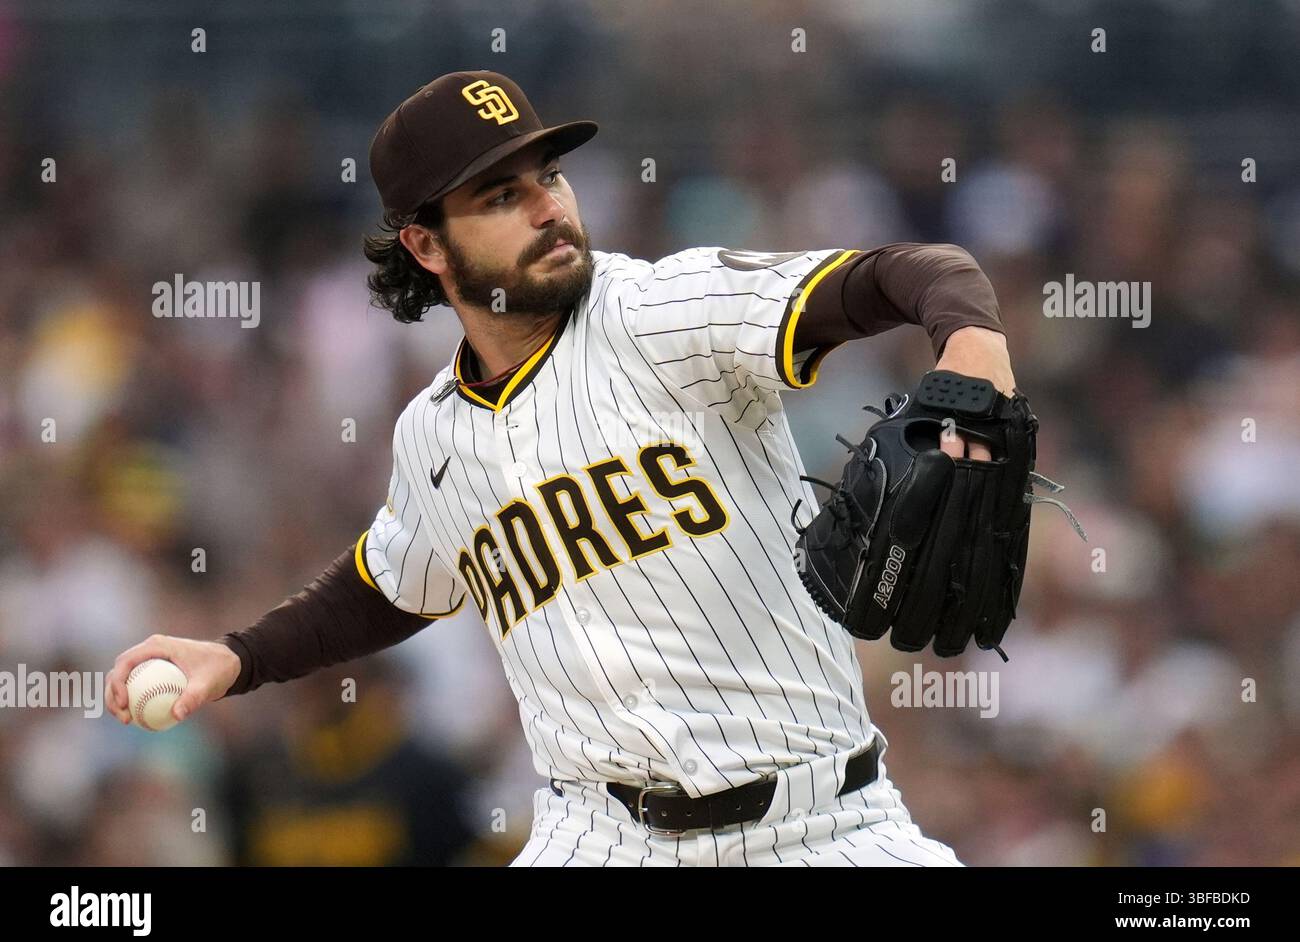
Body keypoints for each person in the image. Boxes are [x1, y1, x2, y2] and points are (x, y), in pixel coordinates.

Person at [108, 70, 1017, 866]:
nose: (549, 206)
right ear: (425, 246)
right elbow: (392, 582)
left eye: (549, 175)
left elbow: (912, 271)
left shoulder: (664, 311)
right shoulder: (432, 436)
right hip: (597, 838)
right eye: (500, 196)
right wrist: (236, 657)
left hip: (823, 827)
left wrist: (970, 340)